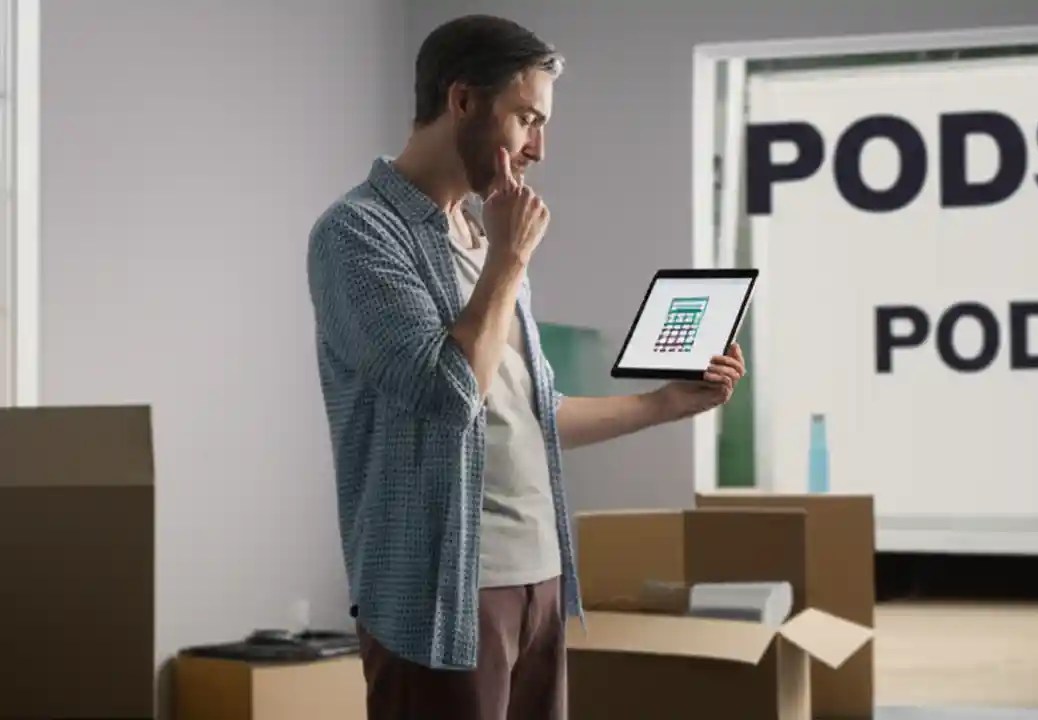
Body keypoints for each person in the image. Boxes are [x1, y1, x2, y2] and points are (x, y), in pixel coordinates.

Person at [306, 13, 747, 720]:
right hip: (442, 593)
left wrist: (673, 401)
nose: (538, 147)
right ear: (462, 101)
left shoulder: (483, 233)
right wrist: (510, 260)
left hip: (541, 576)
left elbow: (529, 416)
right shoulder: (357, 233)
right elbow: (450, 394)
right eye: (525, 118)